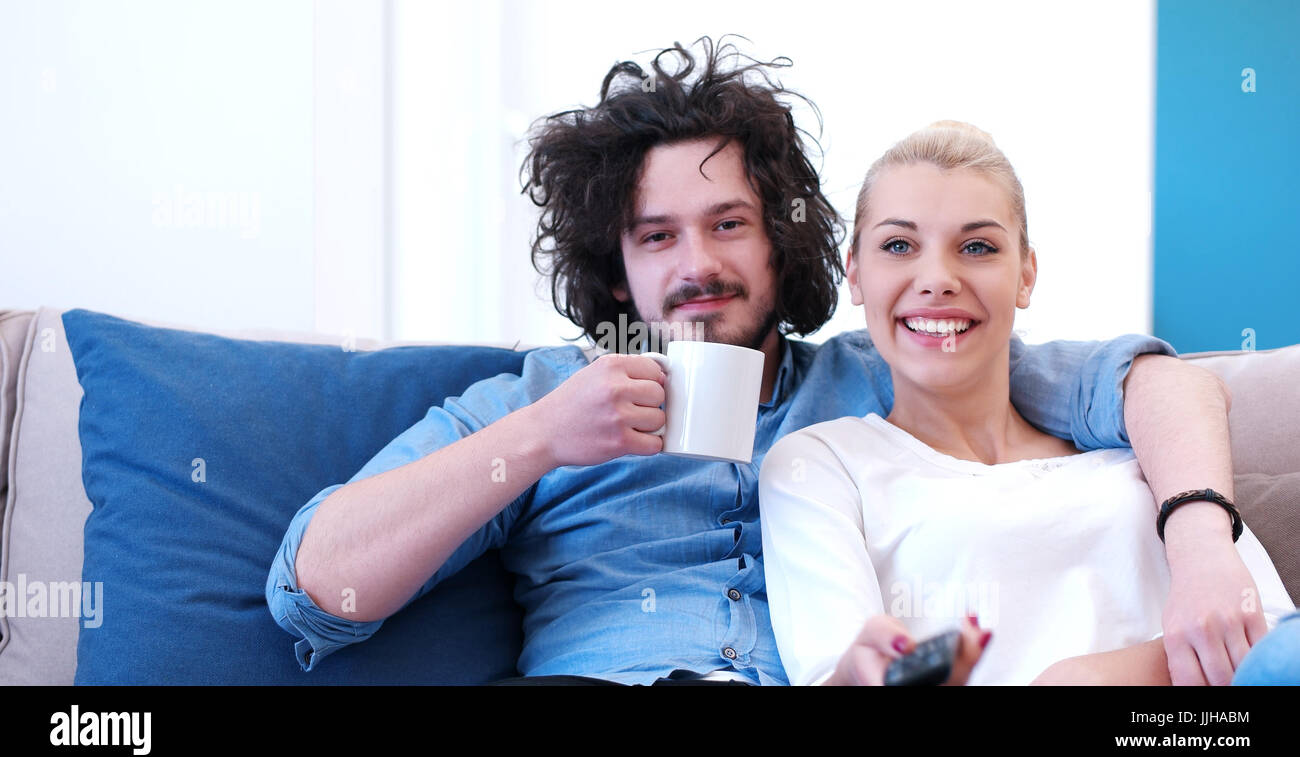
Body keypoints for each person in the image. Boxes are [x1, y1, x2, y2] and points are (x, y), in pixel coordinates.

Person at [266, 38, 1261, 686]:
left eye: (727, 225)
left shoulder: (890, 372)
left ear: (781, 242)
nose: (696, 266)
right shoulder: (535, 401)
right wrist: (536, 443)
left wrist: (1202, 543)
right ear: (614, 272)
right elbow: (316, 586)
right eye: (655, 237)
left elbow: (1152, 383)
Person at [757, 121, 1296, 686]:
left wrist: (1080, 679)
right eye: (899, 245)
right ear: (856, 274)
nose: (937, 278)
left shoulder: (1135, 449)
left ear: (1026, 275)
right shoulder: (818, 465)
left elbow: (1277, 644)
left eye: (977, 247)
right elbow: (836, 678)